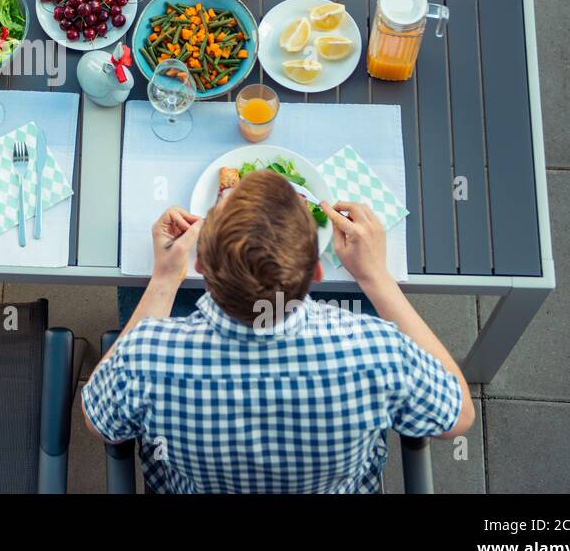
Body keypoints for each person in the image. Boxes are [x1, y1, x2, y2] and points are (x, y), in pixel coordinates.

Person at [83, 170, 474, 493]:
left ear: (200, 265)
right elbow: (459, 417)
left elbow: (98, 420)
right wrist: (377, 277)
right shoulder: (379, 352)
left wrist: (165, 278)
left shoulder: (147, 357)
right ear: (317, 274)